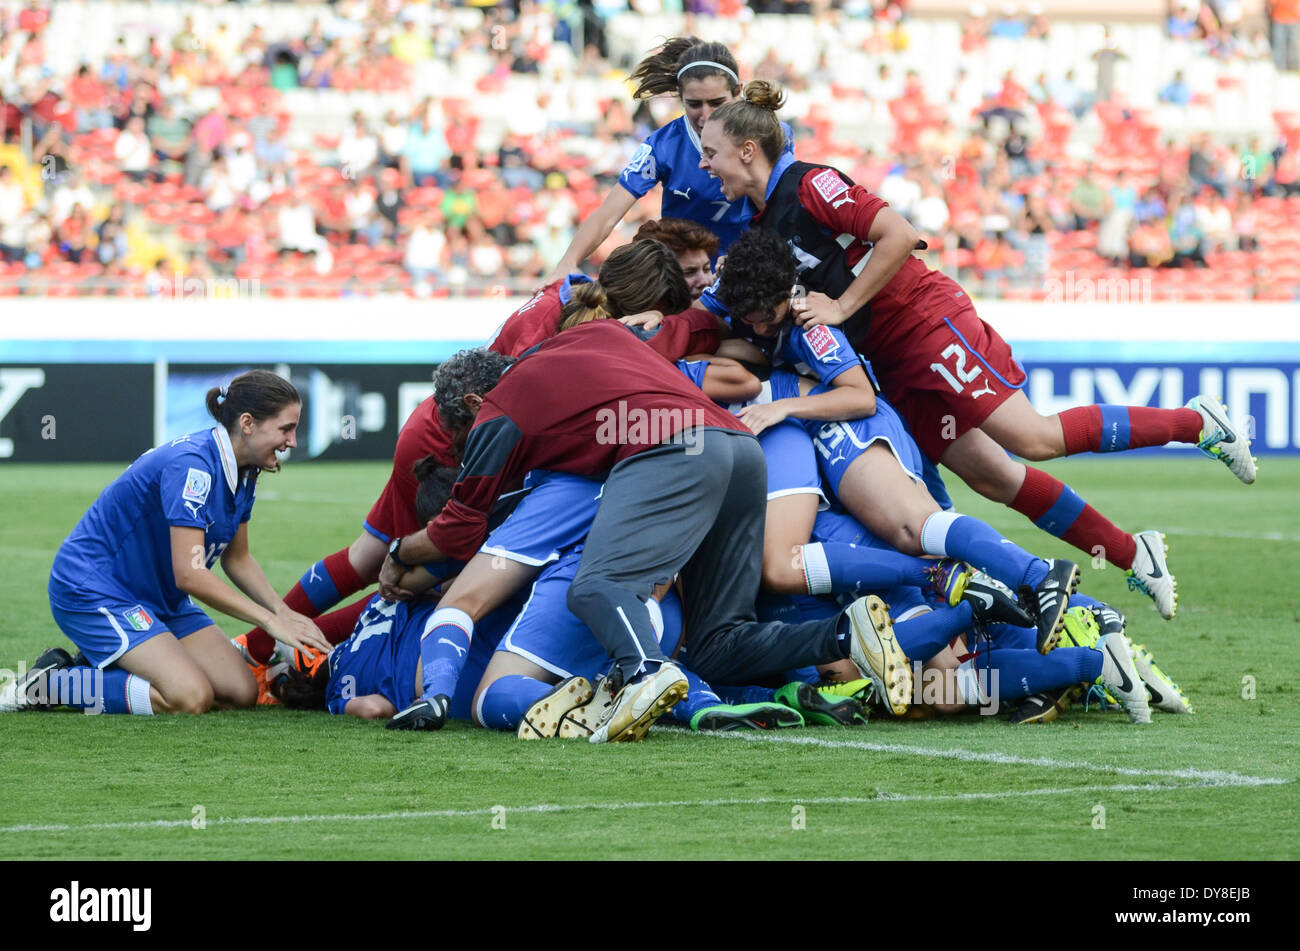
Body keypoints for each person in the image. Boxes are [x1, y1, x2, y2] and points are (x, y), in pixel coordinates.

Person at [697, 80, 1257, 621]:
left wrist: (841, 310)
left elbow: (899, 234)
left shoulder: (811, 184)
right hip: (888, 359)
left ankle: (1196, 423)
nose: (703, 166)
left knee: (1035, 438)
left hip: (923, 322)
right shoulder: (761, 222)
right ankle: (1134, 554)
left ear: (747, 151)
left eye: (711, 153)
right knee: (993, 479)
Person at [377, 326, 915, 742]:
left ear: (473, 405)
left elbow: (458, 529)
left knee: (597, 588)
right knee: (718, 642)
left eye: (462, 437)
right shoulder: (590, 336)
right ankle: (842, 635)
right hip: (739, 449)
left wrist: (400, 550)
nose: (470, 446)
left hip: (672, 450)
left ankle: (644, 672)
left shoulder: (497, 412)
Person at [231, 240, 721, 682]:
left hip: (446, 427)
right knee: (417, 577)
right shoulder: (587, 338)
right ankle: (281, 654)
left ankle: (257, 650)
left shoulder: (564, 299)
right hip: (457, 443)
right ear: (640, 306)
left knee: (372, 558)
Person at [2, 371, 329, 716]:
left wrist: (283, 612)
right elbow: (189, 575)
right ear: (247, 423)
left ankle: (119, 660)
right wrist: (269, 621)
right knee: (188, 698)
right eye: (285, 428)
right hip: (93, 590)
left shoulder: (246, 471)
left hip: (158, 599)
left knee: (240, 691)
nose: (292, 441)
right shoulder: (194, 467)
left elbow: (239, 559)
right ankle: (48, 684)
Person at [544, 37, 794, 282]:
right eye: (694, 104)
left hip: (751, 276)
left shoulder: (773, 134)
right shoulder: (662, 146)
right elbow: (608, 214)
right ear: (680, 97)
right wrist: (568, 262)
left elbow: (787, 210)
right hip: (686, 282)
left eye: (717, 102)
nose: (706, 116)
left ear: (737, 91)